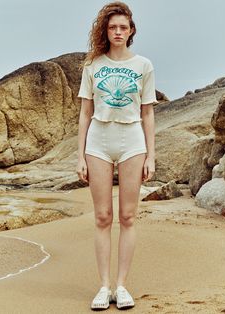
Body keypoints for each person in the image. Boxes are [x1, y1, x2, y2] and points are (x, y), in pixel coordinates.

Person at [77, 1, 158, 310]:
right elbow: (85, 113)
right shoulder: (92, 65)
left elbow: (148, 113)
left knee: (127, 216)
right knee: (102, 217)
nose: (118, 32)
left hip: (132, 141)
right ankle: (103, 286)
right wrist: (80, 155)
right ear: (106, 31)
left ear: (131, 30)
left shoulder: (144, 65)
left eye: (123, 27)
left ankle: (122, 286)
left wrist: (151, 155)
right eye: (113, 27)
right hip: (98, 139)